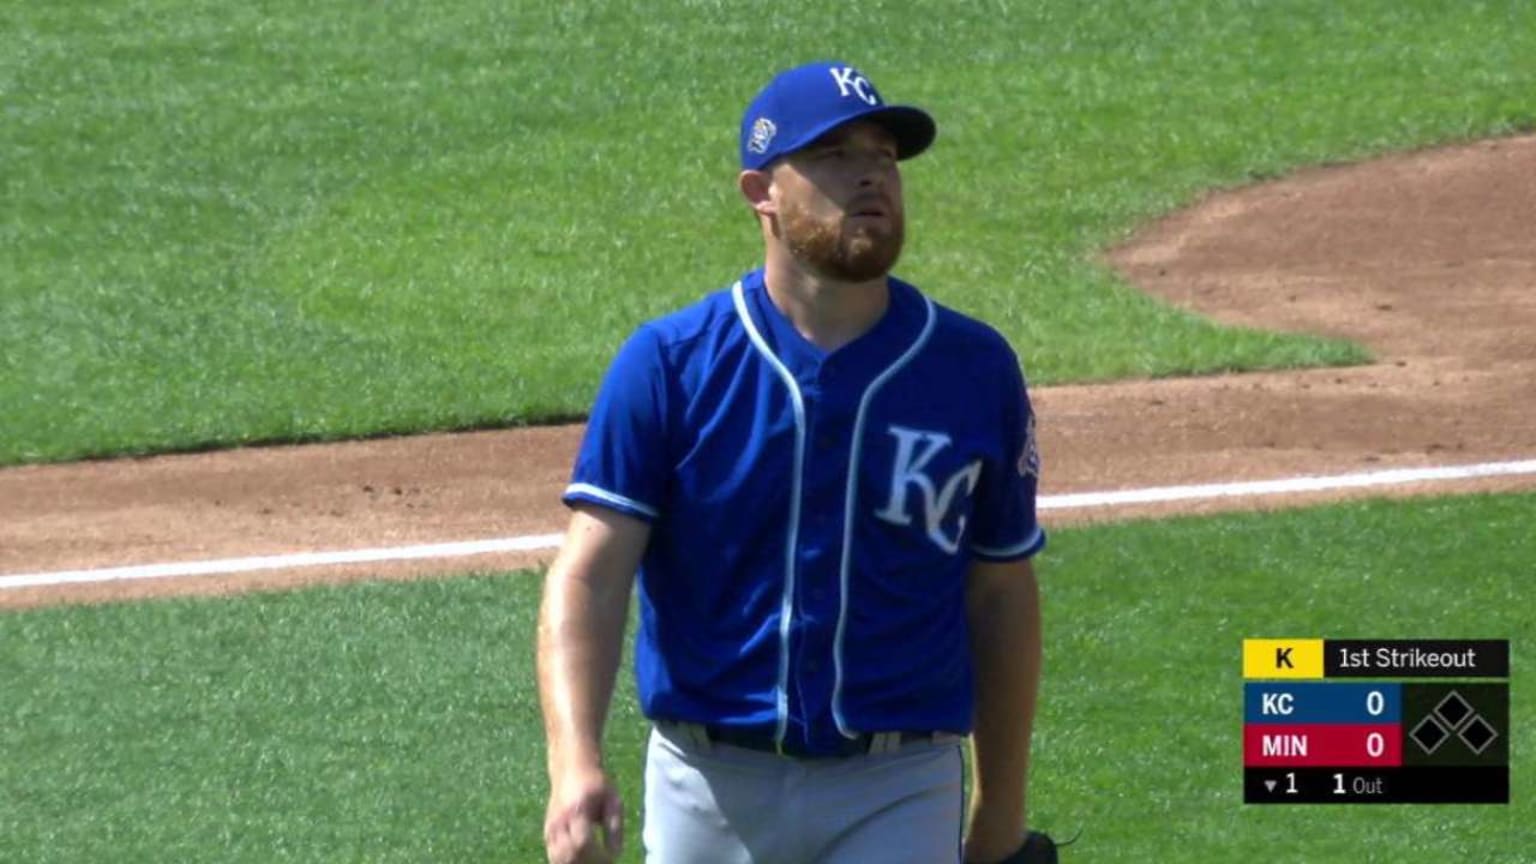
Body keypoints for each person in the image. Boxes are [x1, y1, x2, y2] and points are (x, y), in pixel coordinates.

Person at [538, 60, 1049, 864]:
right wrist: (573, 764)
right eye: (835, 156)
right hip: (705, 785)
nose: (871, 174)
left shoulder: (974, 369)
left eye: (882, 154)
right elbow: (588, 576)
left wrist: (1000, 810)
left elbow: (1001, 592)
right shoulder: (670, 365)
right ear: (761, 192)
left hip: (901, 786)